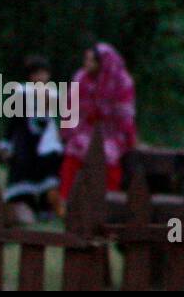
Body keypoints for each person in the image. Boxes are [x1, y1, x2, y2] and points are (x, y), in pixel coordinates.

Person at [58, 42, 137, 201]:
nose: (87, 64)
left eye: (91, 61)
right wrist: (67, 132)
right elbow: (70, 108)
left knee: (108, 154)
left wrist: (130, 138)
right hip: (84, 128)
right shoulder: (81, 78)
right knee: (74, 150)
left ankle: (108, 200)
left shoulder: (121, 82)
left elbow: (124, 115)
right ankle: (67, 199)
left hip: (111, 132)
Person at [0, 56, 63, 223]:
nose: (40, 77)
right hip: (25, 143)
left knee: (48, 178)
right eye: (36, 73)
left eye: (43, 73)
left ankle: (46, 209)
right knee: (23, 176)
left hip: (47, 144)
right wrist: (6, 144)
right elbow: (14, 121)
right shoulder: (22, 92)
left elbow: (53, 120)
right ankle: (24, 208)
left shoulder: (53, 94)